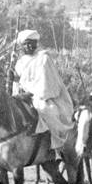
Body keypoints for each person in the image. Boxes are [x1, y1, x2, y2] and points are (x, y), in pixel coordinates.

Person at [10, 29, 75, 158]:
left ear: (36, 44)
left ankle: (56, 146)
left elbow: (46, 83)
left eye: (32, 43)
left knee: (47, 111)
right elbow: (17, 82)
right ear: (21, 45)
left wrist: (30, 93)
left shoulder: (43, 58)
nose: (29, 46)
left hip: (42, 96)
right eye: (26, 43)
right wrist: (14, 80)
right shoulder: (20, 62)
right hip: (21, 96)